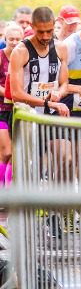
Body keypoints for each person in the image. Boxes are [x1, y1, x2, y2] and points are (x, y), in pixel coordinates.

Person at [9, 7, 69, 116]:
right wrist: (47, 103)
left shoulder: (61, 48)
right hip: (27, 117)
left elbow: (64, 83)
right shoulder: (20, 51)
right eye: (40, 32)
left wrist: (58, 93)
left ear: (54, 25)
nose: (45, 36)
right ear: (32, 26)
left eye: (49, 31)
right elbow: (16, 94)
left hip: (52, 114)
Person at [0, 23, 23, 187]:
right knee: (6, 151)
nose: (14, 42)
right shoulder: (1, 56)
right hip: (1, 109)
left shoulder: (22, 57)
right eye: (11, 39)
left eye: (17, 39)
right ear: (5, 39)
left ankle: (9, 191)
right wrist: (9, 93)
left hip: (17, 110)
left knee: (15, 153)